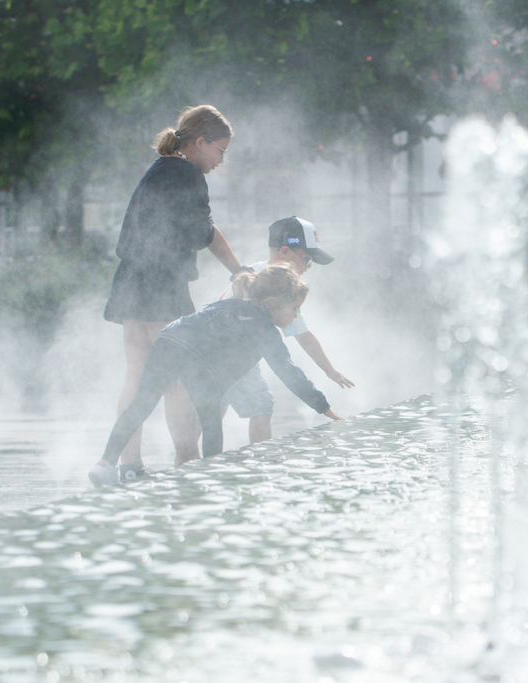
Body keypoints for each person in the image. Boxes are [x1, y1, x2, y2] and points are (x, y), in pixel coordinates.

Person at [89, 264, 343, 487]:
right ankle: (211, 477)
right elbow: (291, 374)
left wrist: (173, 365)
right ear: (274, 303)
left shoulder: (230, 303)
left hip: (169, 339)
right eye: (295, 308)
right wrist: (324, 407)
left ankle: (106, 464)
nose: (297, 315)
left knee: (140, 406)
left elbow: (195, 325)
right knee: (211, 427)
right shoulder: (267, 333)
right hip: (200, 365)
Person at [103, 104, 243, 478]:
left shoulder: (160, 169)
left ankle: (130, 465)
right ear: (201, 142)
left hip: (130, 280)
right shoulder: (186, 174)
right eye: (220, 151)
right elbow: (205, 233)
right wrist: (239, 271)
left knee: (137, 375)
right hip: (161, 282)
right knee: (177, 376)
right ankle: (187, 459)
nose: (221, 160)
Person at [221, 216, 354, 444]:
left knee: (228, 408)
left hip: (229, 356)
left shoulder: (283, 286)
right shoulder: (254, 278)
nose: (308, 268)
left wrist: (329, 370)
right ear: (284, 252)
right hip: (225, 353)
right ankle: (261, 465)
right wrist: (322, 406)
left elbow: (304, 335)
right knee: (260, 405)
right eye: (307, 260)